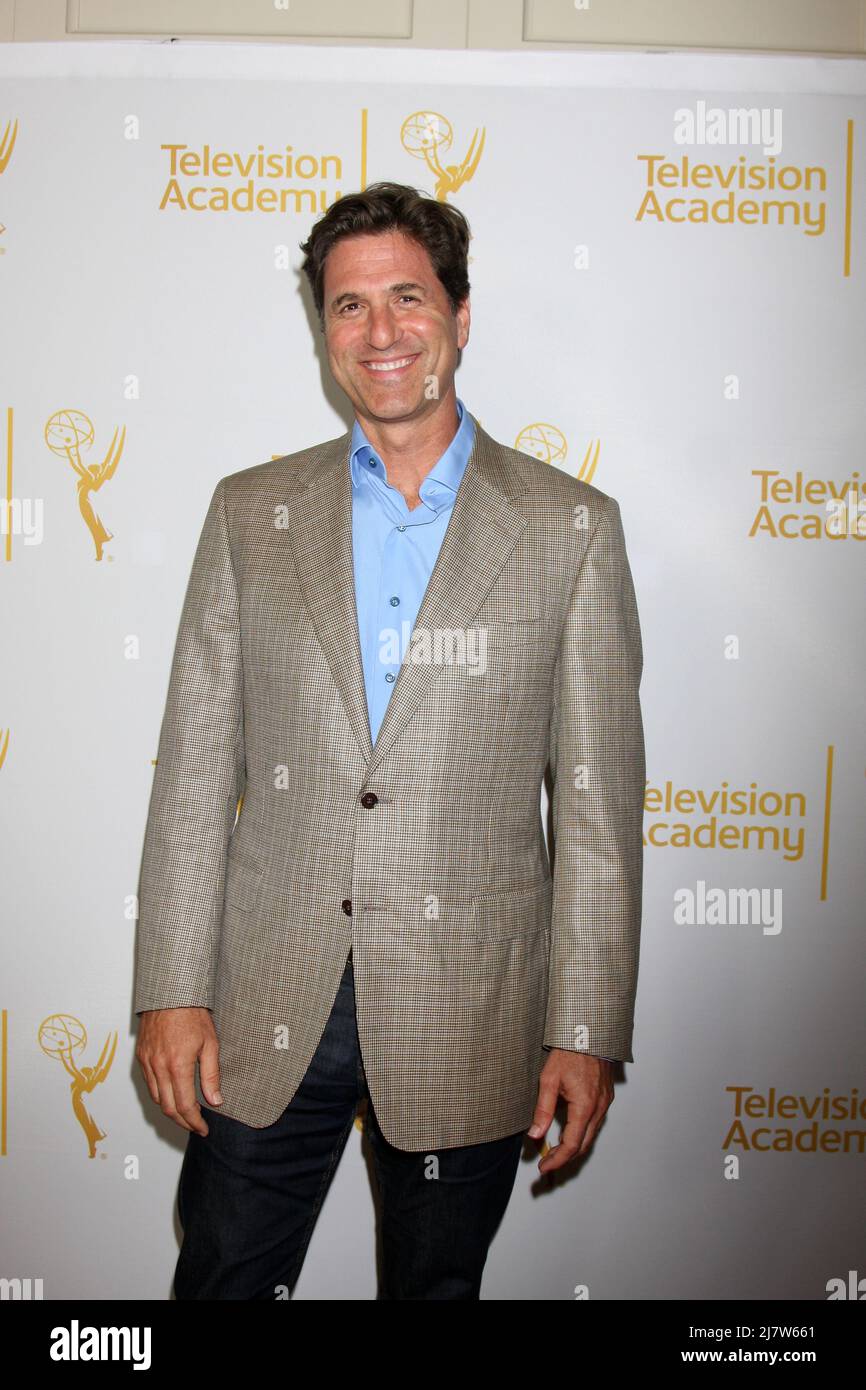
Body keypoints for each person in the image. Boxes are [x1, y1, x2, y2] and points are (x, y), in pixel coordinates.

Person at [133, 180, 646, 1300]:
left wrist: (585, 1027)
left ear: (459, 317)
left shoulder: (570, 529)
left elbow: (599, 812)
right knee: (219, 1280)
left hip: (470, 1008)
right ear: (323, 331)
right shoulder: (248, 514)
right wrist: (170, 985)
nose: (379, 333)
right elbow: (191, 770)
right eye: (348, 306)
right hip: (266, 1003)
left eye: (406, 298)